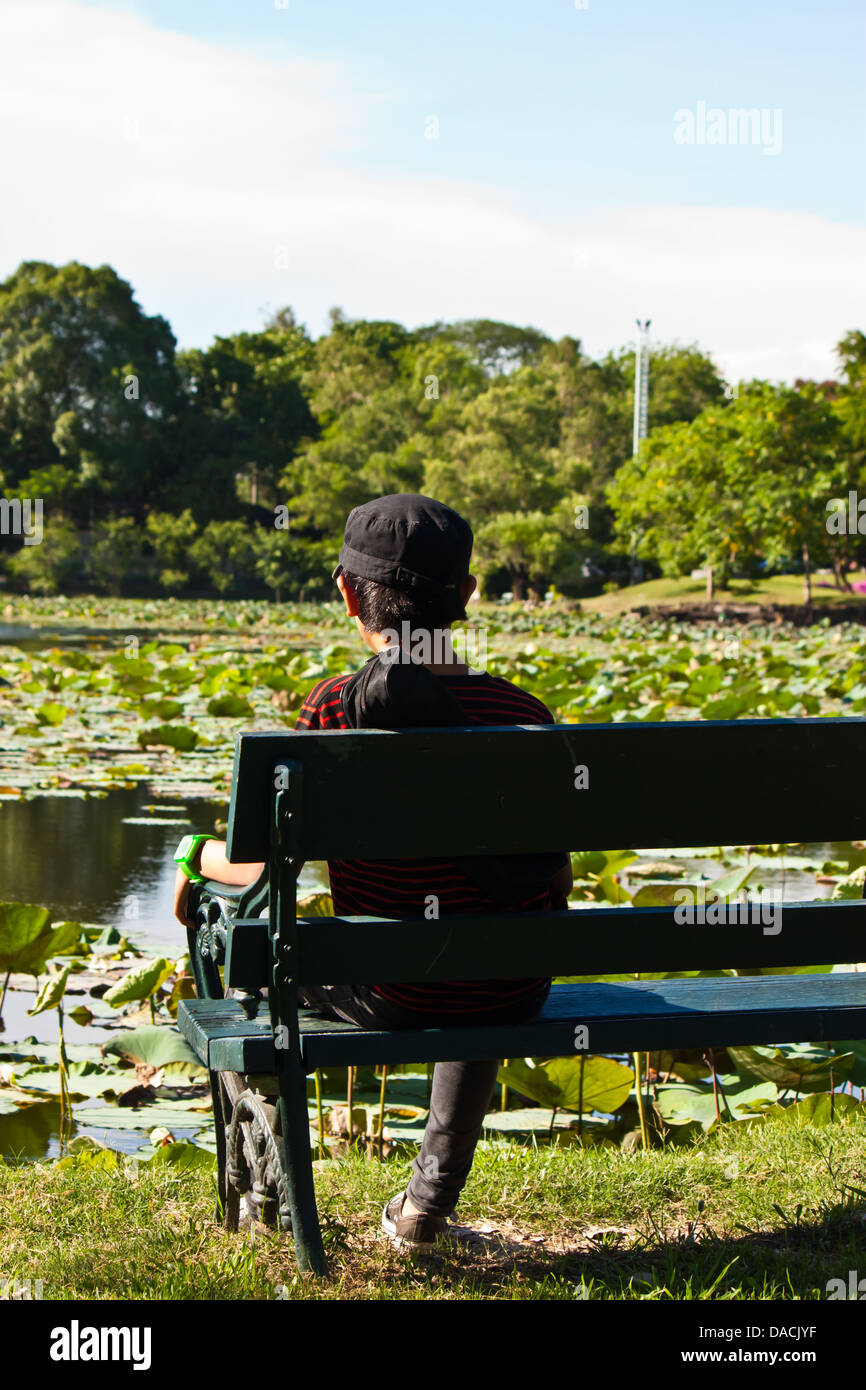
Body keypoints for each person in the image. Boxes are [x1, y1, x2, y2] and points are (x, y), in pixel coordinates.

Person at [175, 493, 572, 1251]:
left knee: (254, 958)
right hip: (512, 987)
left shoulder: (331, 712)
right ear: (465, 596)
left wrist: (196, 858)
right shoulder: (524, 716)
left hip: (390, 990)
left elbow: (257, 867)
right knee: (480, 963)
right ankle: (424, 1209)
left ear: (348, 595)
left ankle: (264, 1188)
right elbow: (553, 882)